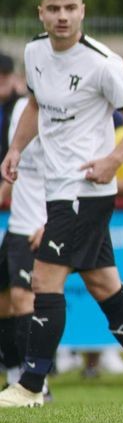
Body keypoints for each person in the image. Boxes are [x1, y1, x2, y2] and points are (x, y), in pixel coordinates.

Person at [0, 0, 123, 408]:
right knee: (104, 285)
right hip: (59, 190)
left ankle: (30, 386)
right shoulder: (35, 53)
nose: (62, 16)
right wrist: (16, 149)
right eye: (54, 9)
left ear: (82, 11)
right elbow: (36, 104)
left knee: (44, 280)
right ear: (41, 13)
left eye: (70, 8)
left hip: (86, 191)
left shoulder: (103, 62)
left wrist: (114, 160)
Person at [0, 97, 46, 390]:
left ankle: (37, 382)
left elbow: (71, 173)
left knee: (23, 298)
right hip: (16, 224)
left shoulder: (58, 110)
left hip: (38, 224)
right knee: (4, 301)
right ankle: (13, 373)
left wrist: (53, 223)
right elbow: (20, 168)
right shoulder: (19, 109)